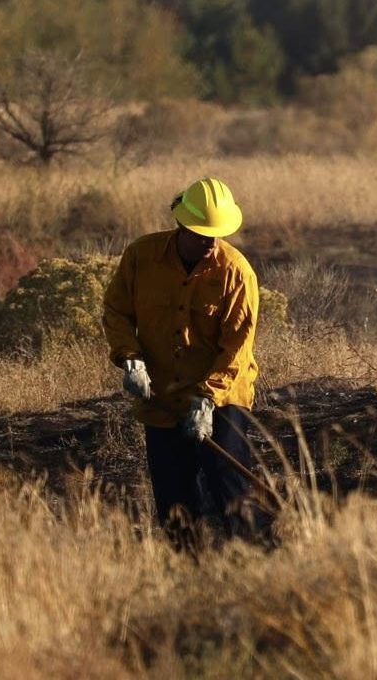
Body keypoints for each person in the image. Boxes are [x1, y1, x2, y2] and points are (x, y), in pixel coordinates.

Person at [101, 177, 266, 549]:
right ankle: (189, 569)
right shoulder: (141, 257)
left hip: (222, 394)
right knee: (174, 497)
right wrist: (131, 360)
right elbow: (117, 311)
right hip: (162, 395)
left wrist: (207, 399)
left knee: (229, 485)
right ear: (182, 226)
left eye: (217, 235)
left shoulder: (237, 273)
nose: (211, 243)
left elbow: (237, 349)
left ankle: (255, 560)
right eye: (202, 234)